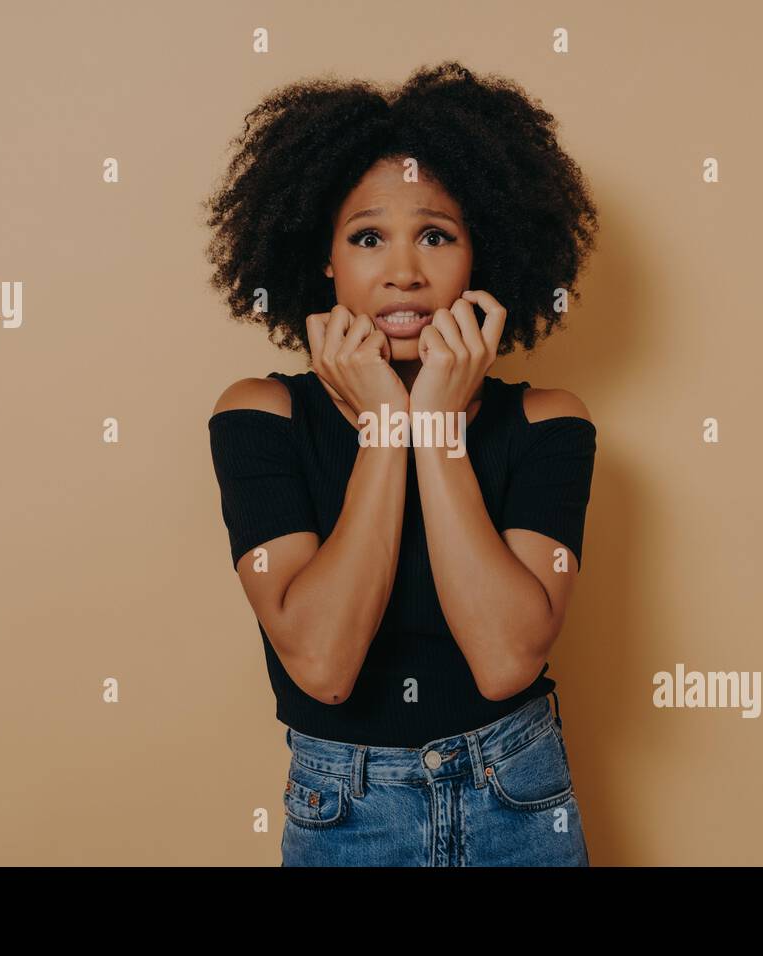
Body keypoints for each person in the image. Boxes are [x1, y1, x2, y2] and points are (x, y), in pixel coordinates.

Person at [203, 61, 599, 866]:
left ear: (481, 254)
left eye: (437, 235)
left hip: (520, 799)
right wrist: (387, 424)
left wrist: (436, 427)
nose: (404, 271)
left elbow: (504, 662)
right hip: (345, 811)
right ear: (324, 258)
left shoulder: (549, 422)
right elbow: (324, 665)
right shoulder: (259, 415)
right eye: (368, 237)